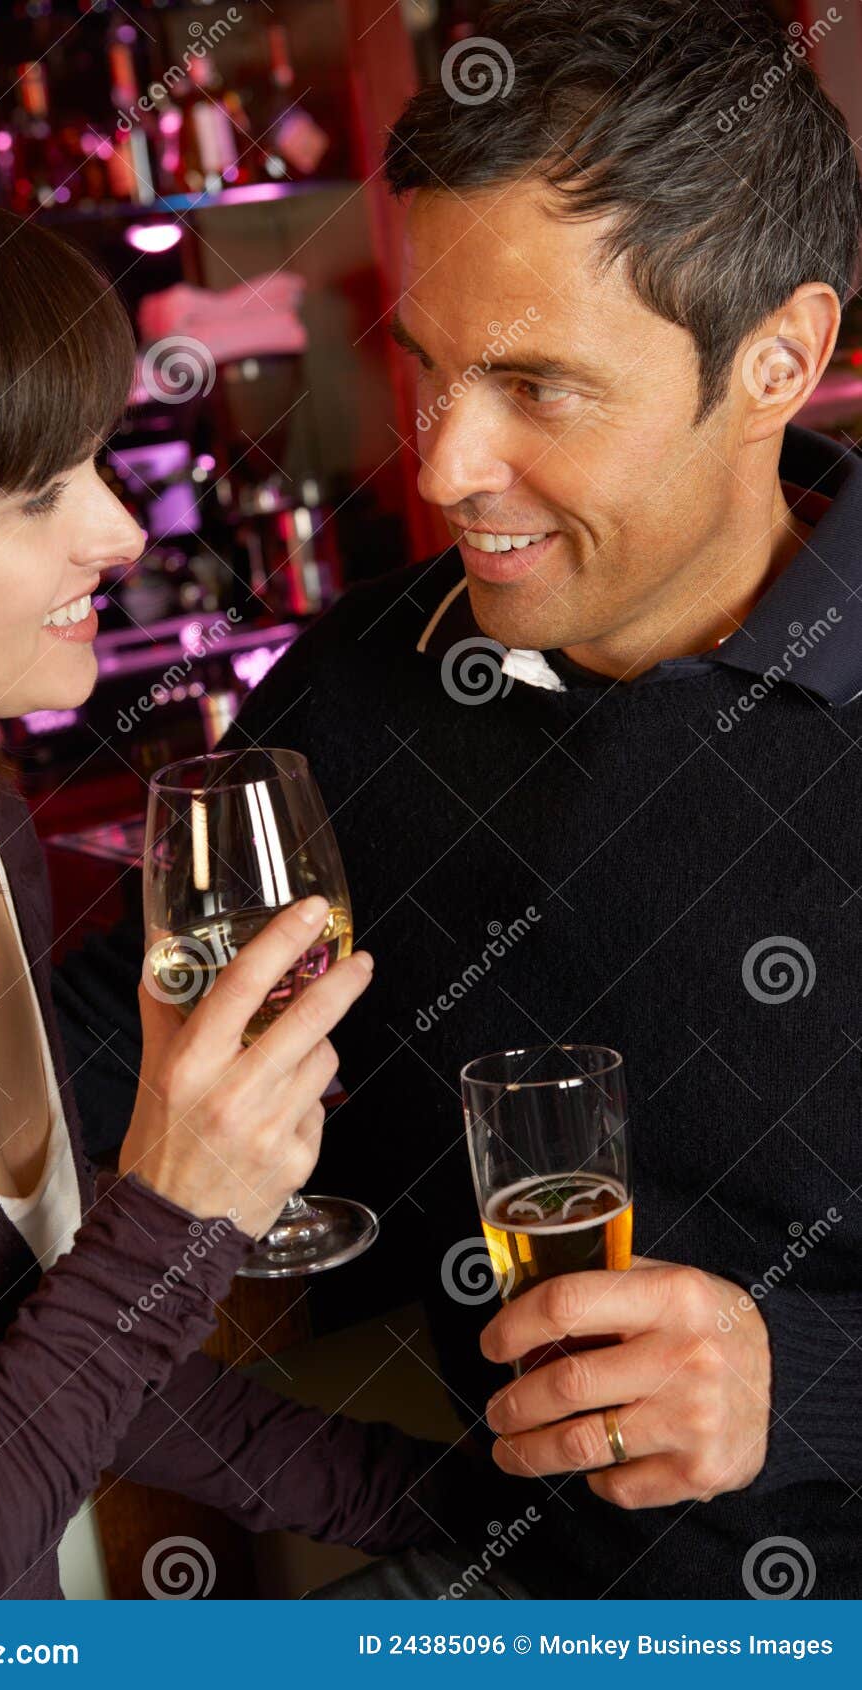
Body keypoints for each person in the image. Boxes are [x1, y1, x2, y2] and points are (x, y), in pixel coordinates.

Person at [56, 0, 862, 1599]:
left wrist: (805, 1377)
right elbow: (106, 1032)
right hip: (490, 1559)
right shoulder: (372, 674)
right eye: (427, 369)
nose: (441, 468)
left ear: (782, 356)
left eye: (537, 387)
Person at [0, 179, 474, 1601]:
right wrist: (170, 1216)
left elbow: (51, 1342)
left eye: (97, 463)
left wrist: (480, 1505)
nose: (120, 531)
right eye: (39, 491)